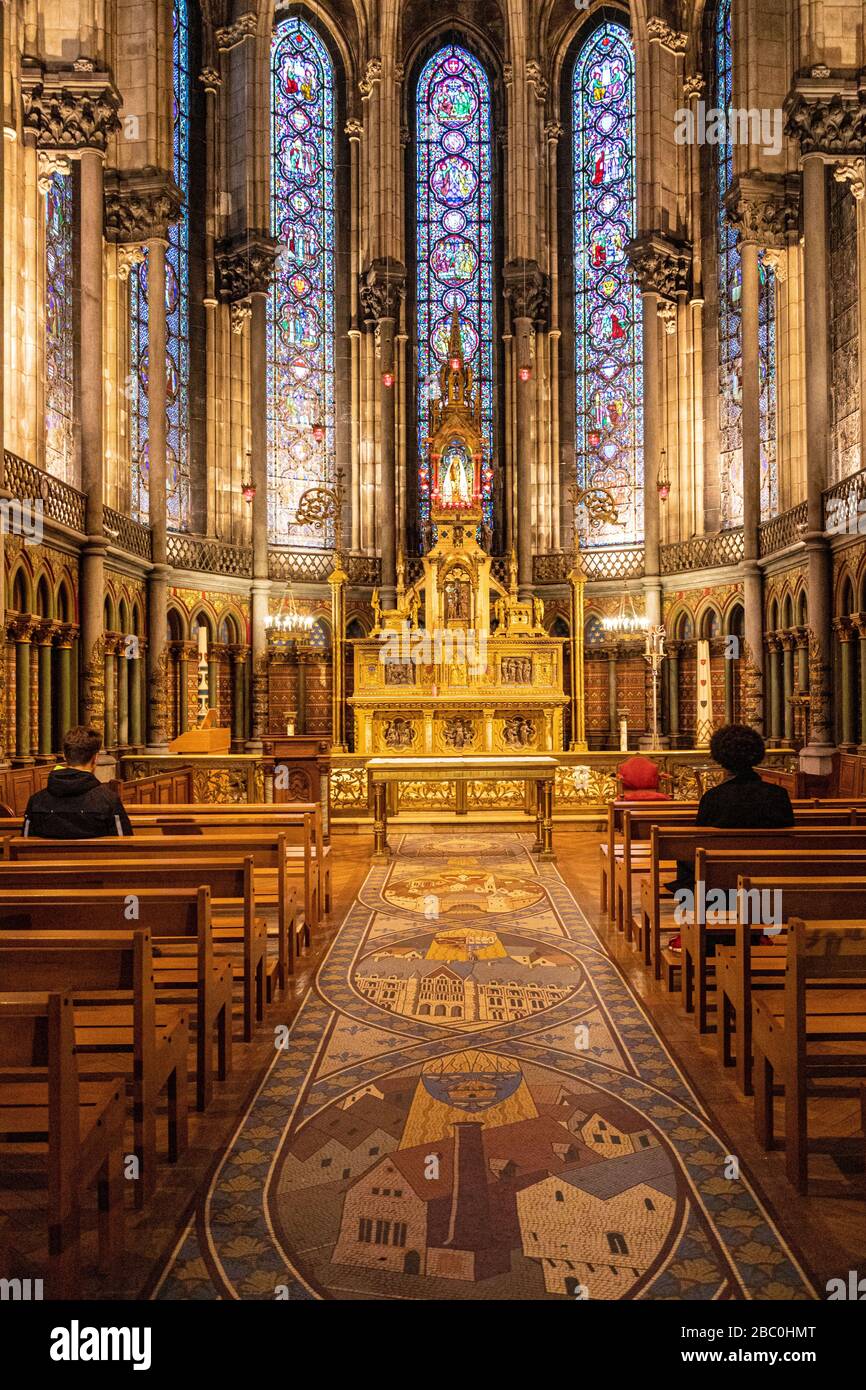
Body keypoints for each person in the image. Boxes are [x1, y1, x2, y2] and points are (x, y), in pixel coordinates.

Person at [667, 723, 793, 948]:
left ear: (720, 757)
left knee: (689, 862)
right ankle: (759, 930)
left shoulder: (713, 798)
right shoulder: (779, 795)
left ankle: (696, 928)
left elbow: (700, 841)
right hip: (766, 880)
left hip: (720, 883)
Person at [22, 725, 133, 839]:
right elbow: (124, 843)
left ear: (65, 756)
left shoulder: (36, 801)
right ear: (95, 758)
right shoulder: (109, 800)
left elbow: (24, 844)